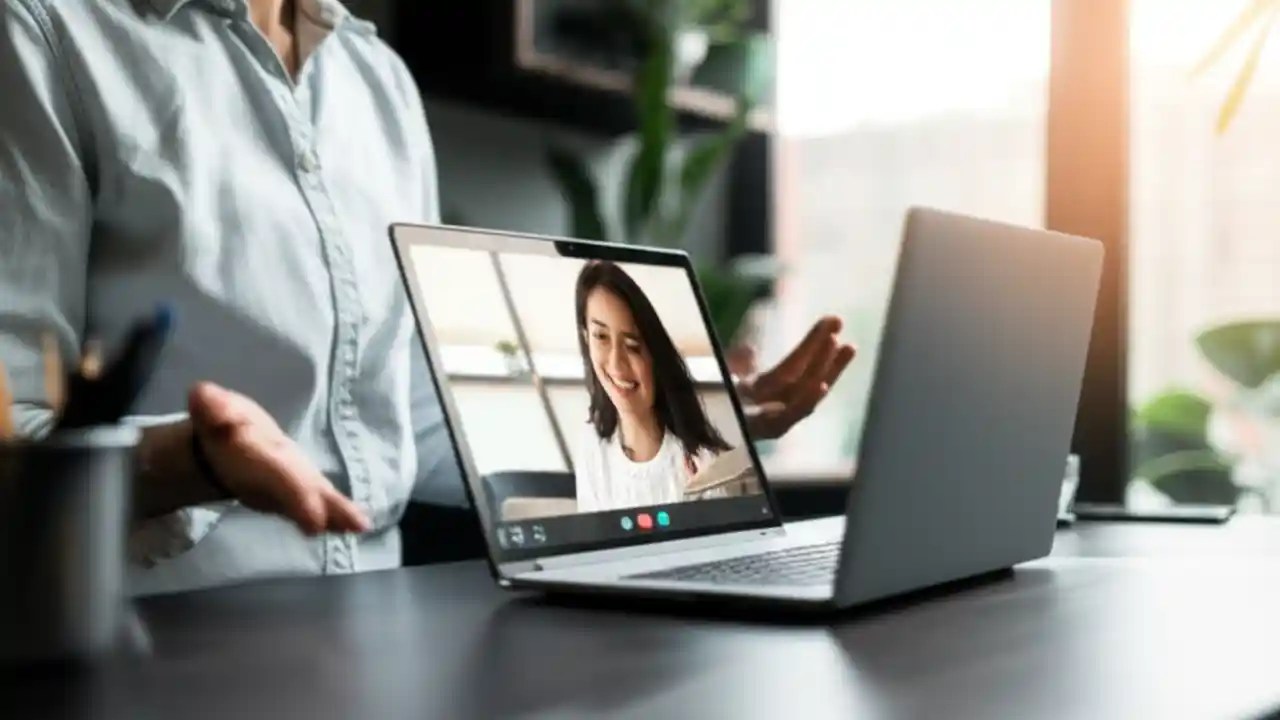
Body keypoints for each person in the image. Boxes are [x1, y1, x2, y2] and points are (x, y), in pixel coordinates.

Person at [0, 0, 854, 595]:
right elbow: (14, 433)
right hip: (159, 646)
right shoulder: (47, 34)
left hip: (381, 636)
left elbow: (404, 430)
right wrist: (187, 461)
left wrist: (669, 423)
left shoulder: (378, 82)